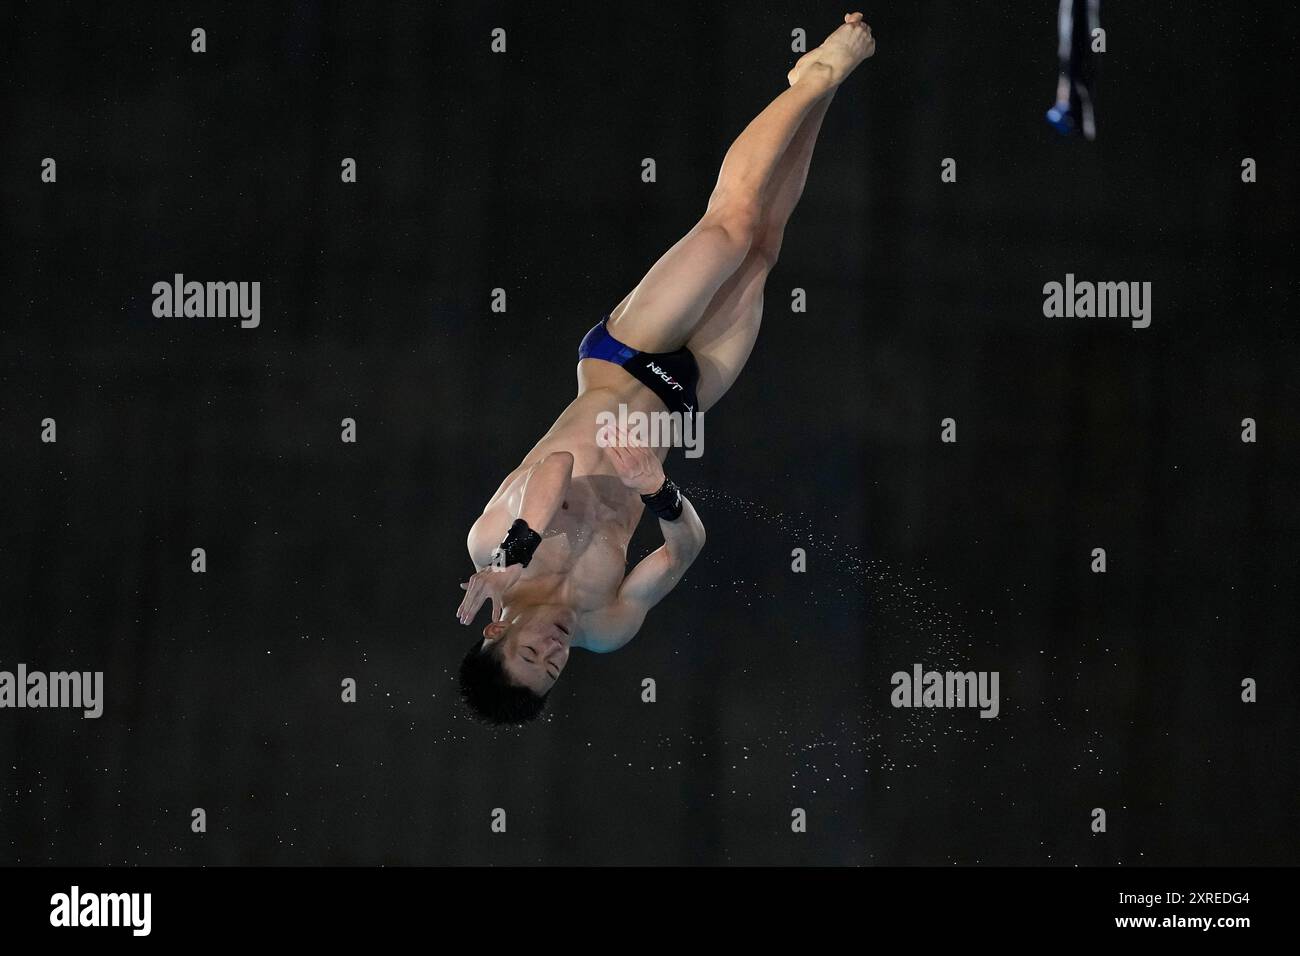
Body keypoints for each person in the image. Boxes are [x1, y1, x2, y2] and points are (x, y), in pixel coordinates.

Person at [456, 14, 877, 725]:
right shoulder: (604, 626)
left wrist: (517, 549)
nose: (554, 651)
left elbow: (556, 466)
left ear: (496, 631)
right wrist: (659, 494)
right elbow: (684, 553)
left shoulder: (491, 551)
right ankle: (819, 91)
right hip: (687, 397)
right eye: (553, 670)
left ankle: (820, 75)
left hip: (623, 358)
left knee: (732, 224)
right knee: (766, 245)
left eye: (531, 654)